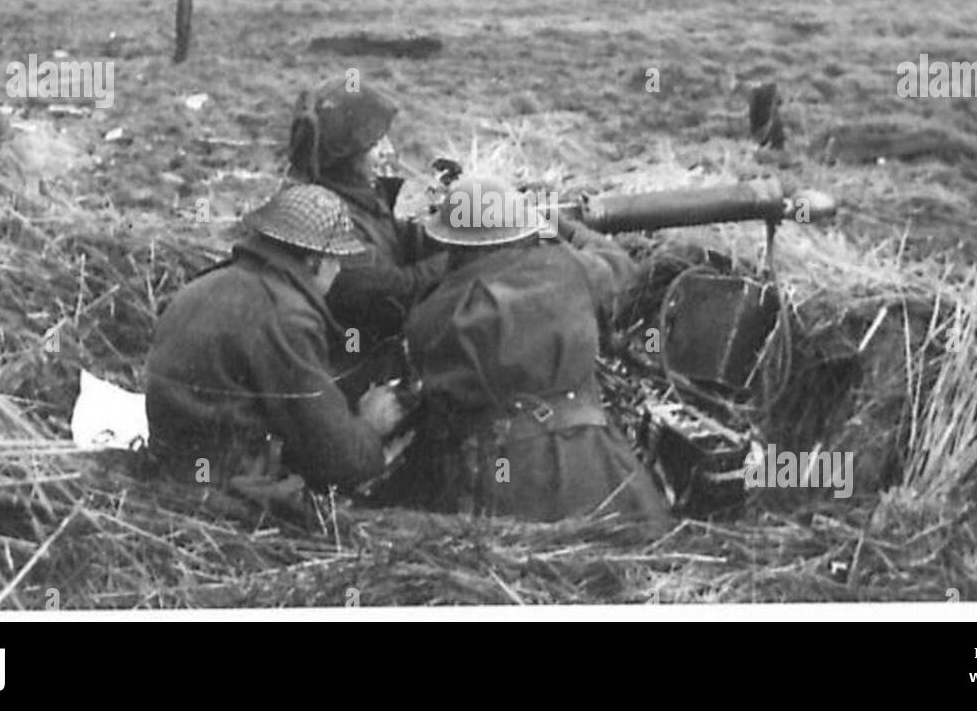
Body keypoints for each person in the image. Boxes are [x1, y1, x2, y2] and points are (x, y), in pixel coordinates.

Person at [398, 174, 671, 524]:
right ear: (521, 231)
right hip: (590, 462)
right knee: (630, 550)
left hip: (498, 474)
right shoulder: (569, 269)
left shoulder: (430, 316)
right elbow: (621, 267)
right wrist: (559, 225)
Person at [144, 184, 405, 495]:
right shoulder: (286, 315)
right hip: (223, 488)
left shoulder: (207, 284)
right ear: (313, 261)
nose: (337, 272)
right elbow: (338, 459)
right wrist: (369, 427)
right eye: (336, 260)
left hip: (177, 468)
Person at [284, 78, 447, 395]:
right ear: (346, 156)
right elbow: (396, 289)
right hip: (347, 367)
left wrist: (451, 235)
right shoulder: (324, 217)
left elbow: (397, 236)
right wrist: (456, 258)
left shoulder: (355, 194)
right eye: (375, 146)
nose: (388, 152)